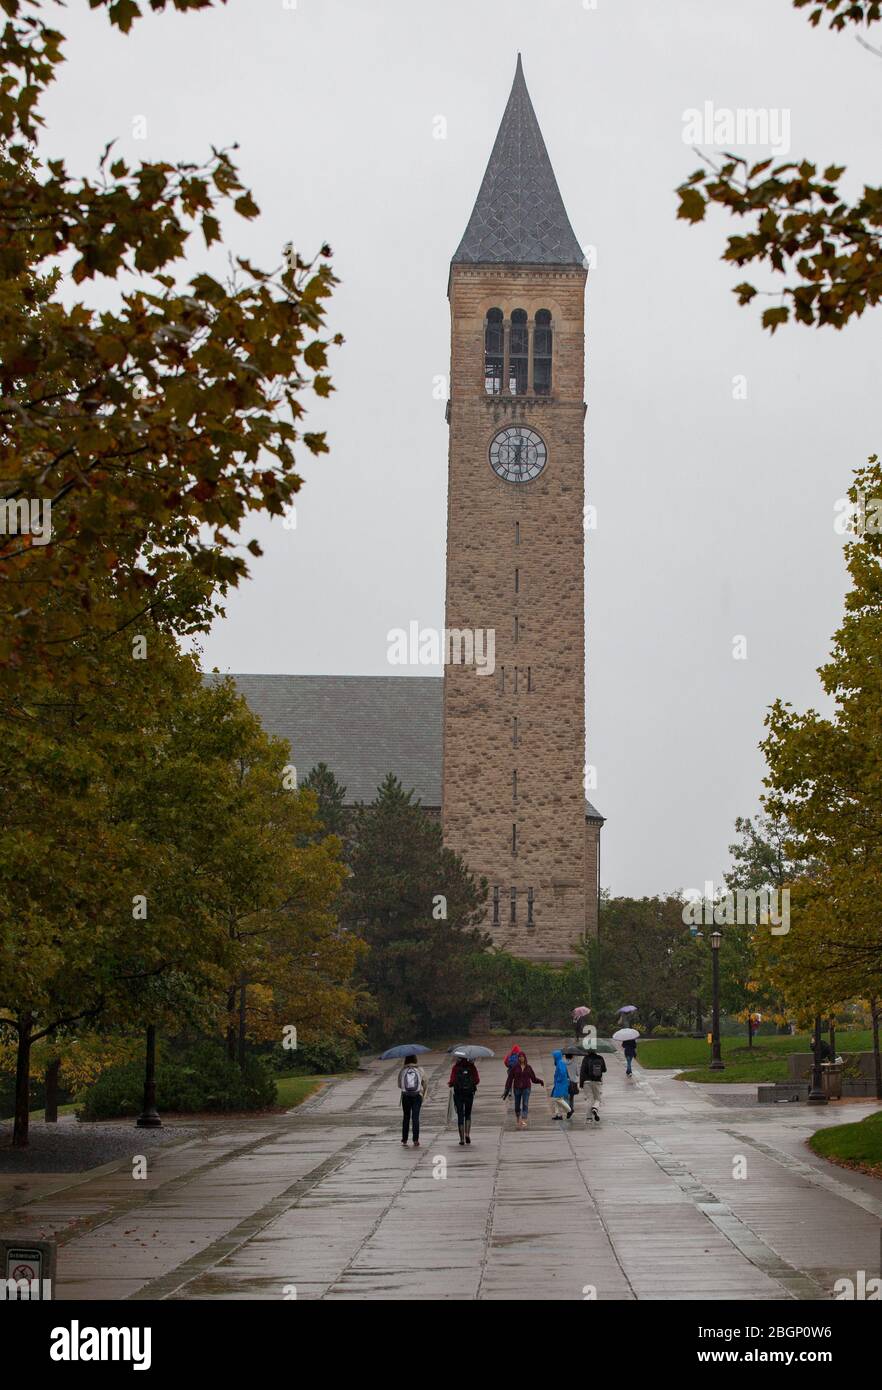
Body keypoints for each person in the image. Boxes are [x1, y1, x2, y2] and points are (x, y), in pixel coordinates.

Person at [502, 1051, 544, 1129]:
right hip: (517, 1088)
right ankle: (518, 1118)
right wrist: (506, 1089)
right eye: (519, 1057)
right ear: (518, 1058)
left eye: (522, 1057)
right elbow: (510, 1079)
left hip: (526, 1088)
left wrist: (540, 1081)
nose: (521, 1058)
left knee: (525, 1103)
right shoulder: (515, 1067)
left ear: (525, 1058)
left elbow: (533, 1079)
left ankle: (524, 1119)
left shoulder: (528, 1067)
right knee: (517, 1105)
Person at [448, 1054, 479, 1145]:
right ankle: (467, 1134)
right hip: (469, 1094)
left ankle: (461, 1139)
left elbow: (452, 1081)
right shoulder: (472, 1067)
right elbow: (477, 1080)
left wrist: (450, 1084)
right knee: (468, 1114)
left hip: (458, 1094)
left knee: (460, 1115)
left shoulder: (455, 1067)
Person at [398, 1054, 427, 1147]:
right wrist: (423, 1094)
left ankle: (404, 1139)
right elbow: (425, 1083)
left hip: (406, 1096)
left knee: (406, 1117)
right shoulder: (420, 1069)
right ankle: (415, 1140)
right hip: (417, 1096)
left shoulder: (402, 1070)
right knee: (415, 1117)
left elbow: (399, 1085)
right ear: (415, 1060)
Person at [579, 1045, 606, 1123]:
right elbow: (604, 1070)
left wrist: (581, 1083)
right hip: (597, 1081)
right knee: (598, 1098)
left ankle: (589, 1119)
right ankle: (595, 1108)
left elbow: (582, 1072)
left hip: (586, 1081)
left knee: (589, 1099)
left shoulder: (585, 1058)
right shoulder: (600, 1058)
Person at [549, 1049, 574, 1121]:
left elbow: (562, 1073)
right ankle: (558, 1115)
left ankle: (569, 1110)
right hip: (559, 1083)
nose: (553, 1058)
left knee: (557, 1098)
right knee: (556, 1099)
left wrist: (558, 1080)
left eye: (554, 1056)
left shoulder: (560, 1063)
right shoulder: (559, 1062)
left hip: (560, 1084)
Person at [564, 1051, 580, 1115]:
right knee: (571, 1097)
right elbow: (578, 1073)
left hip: (565, 1082)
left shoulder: (563, 1064)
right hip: (573, 1082)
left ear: (565, 1056)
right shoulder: (575, 1064)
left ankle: (568, 1109)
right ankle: (571, 1108)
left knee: (565, 1097)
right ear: (572, 1056)